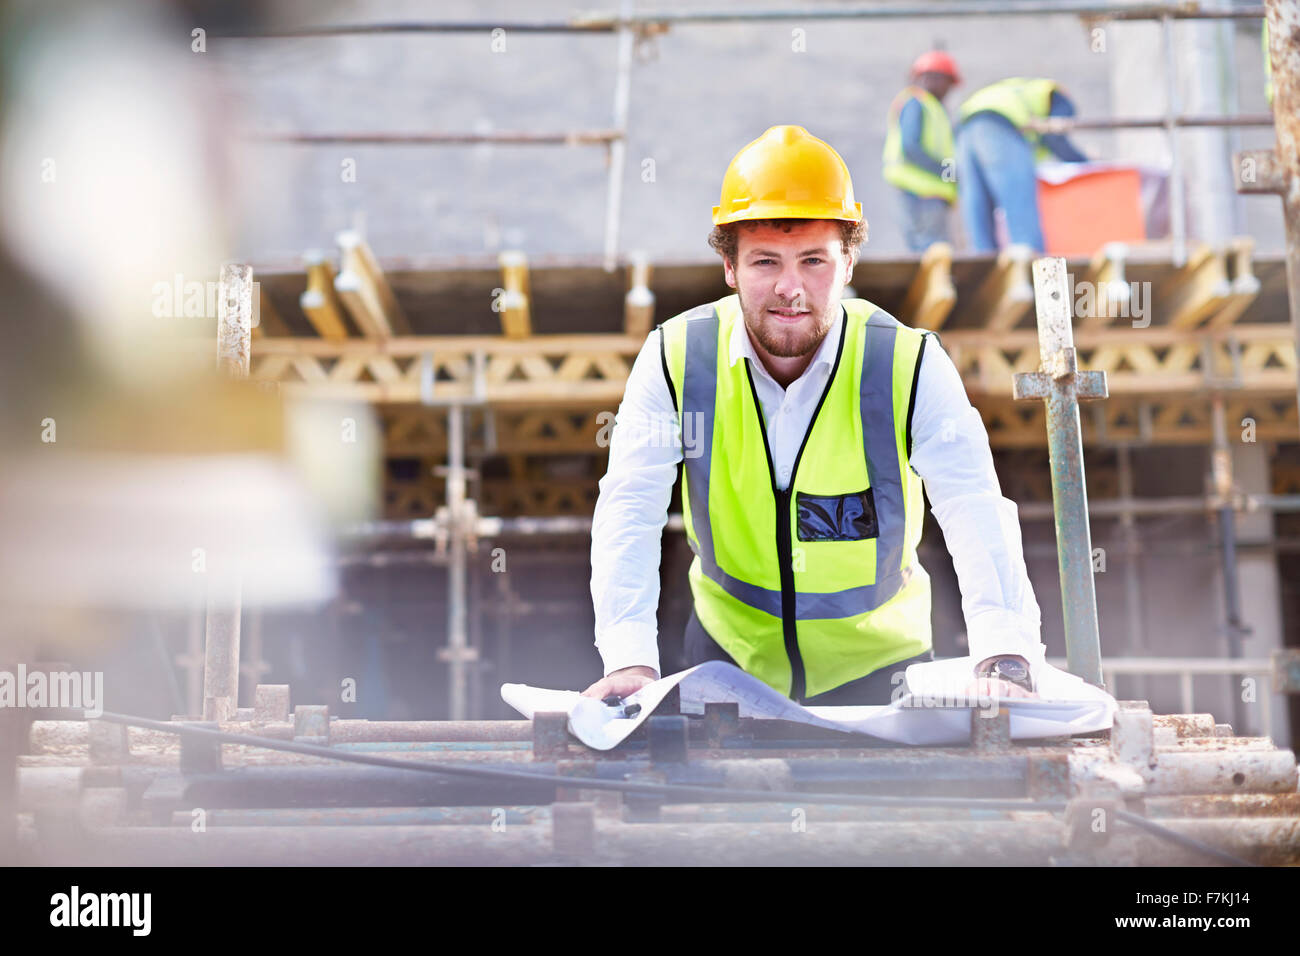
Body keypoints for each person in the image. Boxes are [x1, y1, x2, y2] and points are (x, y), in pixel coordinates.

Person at [583, 125, 1044, 706]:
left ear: (849, 262)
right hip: (729, 663)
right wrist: (629, 660)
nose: (790, 287)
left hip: (884, 672)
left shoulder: (907, 362)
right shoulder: (677, 358)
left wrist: (1004, 652)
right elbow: (631, 503)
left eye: (814, 260)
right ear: (729, 268)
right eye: (764, 261)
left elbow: (973, 502)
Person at [955, 78, 1089, 253]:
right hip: (1000, 127)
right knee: (1019, 201)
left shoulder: (1015, 91)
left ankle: (983, 265)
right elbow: (1055, 135)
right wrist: (1083, 162)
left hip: (965, 130)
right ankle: (1029, 265)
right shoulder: (1058, 97)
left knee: (978, 206)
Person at [882, 50, 961, 252]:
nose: (948, 89)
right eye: (947, 82)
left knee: (930, 252)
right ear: (930, 78)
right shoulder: (917, 102)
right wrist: (950, 174)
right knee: (932, 250)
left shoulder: (934, 109)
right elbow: (911, 147)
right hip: (921, 192)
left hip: (928, 193)